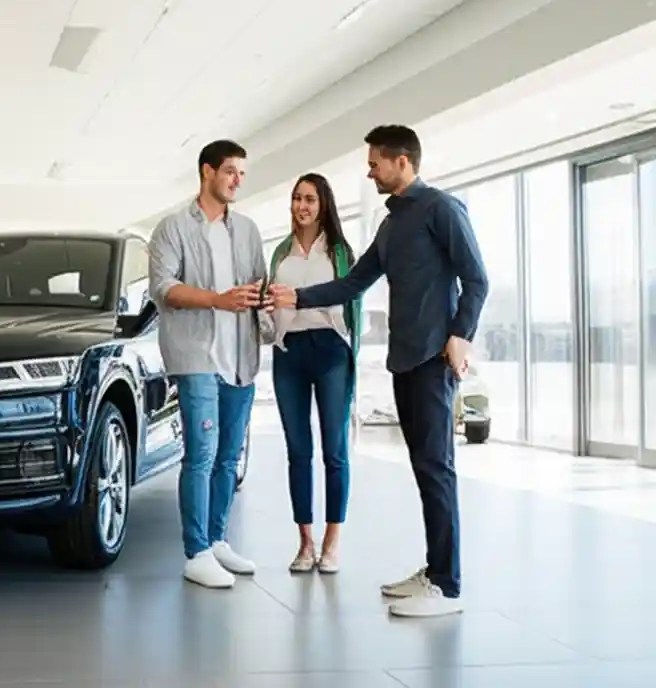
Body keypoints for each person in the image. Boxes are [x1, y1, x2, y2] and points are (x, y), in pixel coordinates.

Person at [269, 125, 488, 617]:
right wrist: (298, 296)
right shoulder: (392, 224)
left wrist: (461, 334)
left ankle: (447, 585)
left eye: (375, 163)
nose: (369, 171)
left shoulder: (442, 209)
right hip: (404, 360)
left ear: (402, 163)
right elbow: (354, 282)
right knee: (423, 470)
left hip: (434, 359)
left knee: (437, 470)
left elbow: (476, 278)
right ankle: (434, 570)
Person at [147, 139, 271, 589]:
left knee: (227, 456)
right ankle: (195, 550)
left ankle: (217, 540)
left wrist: (267, 301)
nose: (238, 180)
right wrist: (217, 300)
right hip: (197, 354)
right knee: (200, 455)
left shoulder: (249, 231)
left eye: (242, 172)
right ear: (207, 172)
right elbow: (164, 289)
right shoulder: (173, 228)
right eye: (231, 171)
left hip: (241, 356)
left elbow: (259, 287)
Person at [265, 173, 360, 575]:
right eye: (296, 198)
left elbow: (351, 299)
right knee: (297, 449)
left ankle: (331, 542)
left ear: (324, 205)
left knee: (334, 450)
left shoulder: (339, 252)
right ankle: (305, 542)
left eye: (310, 199)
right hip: (289, 352)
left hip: (331, 351)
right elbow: (271, 307)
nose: (301, 206)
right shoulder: (280, 255)